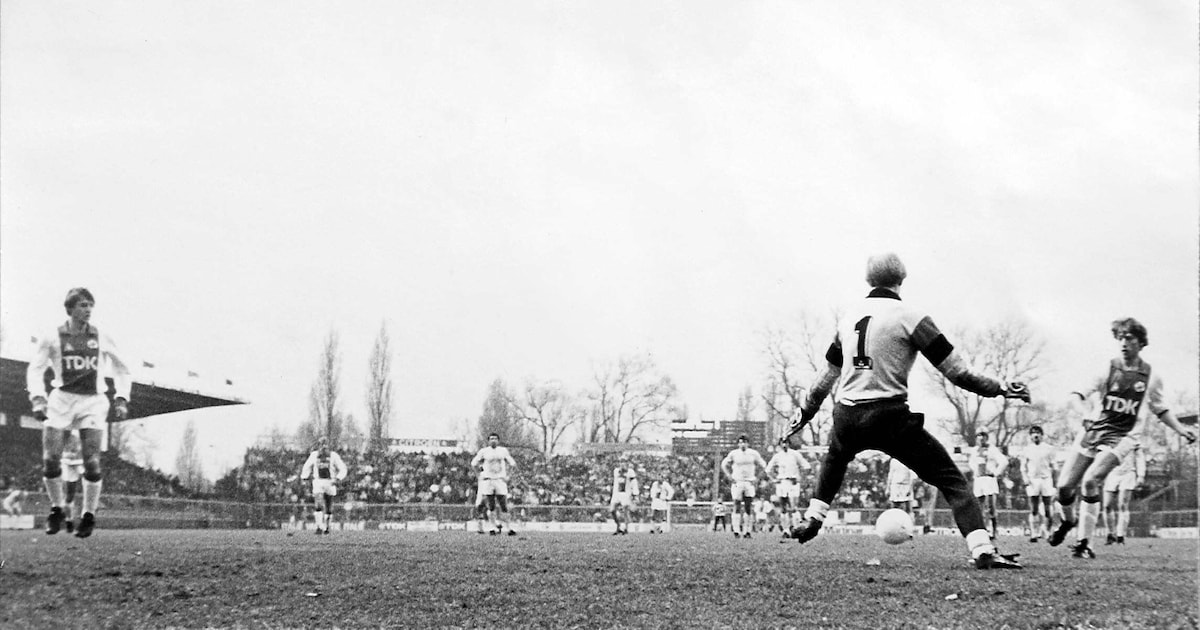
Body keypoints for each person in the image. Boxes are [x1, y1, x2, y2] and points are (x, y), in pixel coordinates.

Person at [786, 253, 1029, 569]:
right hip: (889, 416)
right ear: (902, 278)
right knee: (953, 482)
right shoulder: (911, 317)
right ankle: (982, 549)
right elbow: (958, 373)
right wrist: (1002, 388)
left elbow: (824, 379)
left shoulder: (847, 319)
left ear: (868, 280)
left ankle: (813, 518)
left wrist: (804, 413)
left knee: (836, 455)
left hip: (847, 415)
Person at [1049, 318, 1196, 559]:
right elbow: (1076, 395)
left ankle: (1084, 543)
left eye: (1129, 338)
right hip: (1095, 429)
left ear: (1141, 343)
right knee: (1064, 487)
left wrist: (1181, 429)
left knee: (1091, 480)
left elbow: (1160, 409)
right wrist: (1085, 413)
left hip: (1123, 435)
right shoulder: (1107, 369)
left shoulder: (1150, 376)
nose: (1124, 343)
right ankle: (1068, 521)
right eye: (1120, 338)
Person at [27, 287, 132, 539]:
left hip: (92, 402)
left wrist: (121, 397)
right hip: (61, 400)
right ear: (70, 309)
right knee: (50, 459)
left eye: (90, 305)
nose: (88, 310)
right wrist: (38, 398)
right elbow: (35, 369)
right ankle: (56, 509)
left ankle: (88, 516)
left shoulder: (101, 336)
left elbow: (122, 368)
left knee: (92, 462)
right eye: (83, 305)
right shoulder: (53, 337)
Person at [470, 433, 518, 536]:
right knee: (490, 505)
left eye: (495, 438)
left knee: (503, 505)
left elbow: (513, 464)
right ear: (488, 441)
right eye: (491, 439)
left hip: (500, 480)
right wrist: (479, 475)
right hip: (488, 480)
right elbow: (473, 463)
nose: (493, 440)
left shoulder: (503, 451)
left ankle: (509, 528)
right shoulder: (484, 451)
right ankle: (492, 528)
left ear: (498, 440)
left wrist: (508, 476)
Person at [721, 435, 768, 539]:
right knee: (736, 504)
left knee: (748, 506)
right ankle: (736, 530)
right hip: (737, 481)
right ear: (738, 444)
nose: (743, 444)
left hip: (749, 482)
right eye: (741, 442)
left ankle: (747, 531)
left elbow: (764, 465)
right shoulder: (734, 453)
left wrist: (757, 478)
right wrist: (728, 475)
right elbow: (724, 464)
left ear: (748, 443)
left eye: (745, 442)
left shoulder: (753, 453)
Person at [300, 437, 348, 535]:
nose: (323, 446)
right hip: (318, 481)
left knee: (328, 506)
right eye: (322, 444)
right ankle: (319, 527)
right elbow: (307, 466)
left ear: (328, 445)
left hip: (330, 482)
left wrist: (338, 478)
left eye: (325, 444)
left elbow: (343, 468)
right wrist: (304, 477)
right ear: (319, 445)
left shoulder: (333, 455)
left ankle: (327, 527)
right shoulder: (314, 455)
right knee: (318, 503)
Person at [765, 437, 812, 536]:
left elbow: (807, 466)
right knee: (783, 507)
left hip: (793, 482)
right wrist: (774, 479)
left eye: (786, 443)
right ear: (780, 445)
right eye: (782, 443)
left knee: (793, 507)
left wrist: (800, 478)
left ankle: (796, 529)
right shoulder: (777, 456)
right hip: (782, 482)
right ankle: (786, 530)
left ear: (789, 444)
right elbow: (768, 469)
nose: (784, 445)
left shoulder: (795, 454)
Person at [1102, 441, 1145, 545]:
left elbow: (1140, 457)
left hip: (1128, 473)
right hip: (1111, 473)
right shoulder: (1109, 436)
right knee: (1107, 505)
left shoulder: (1133, 439)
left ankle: (1120, 536)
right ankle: (1110, 534)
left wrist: (1141, 475)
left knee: (1122, 505)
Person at [1020, 425, 1057, 542]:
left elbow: (1054, 466)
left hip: (1046, 479)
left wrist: (1055, 482)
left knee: (1047, 507)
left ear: (1042, 435)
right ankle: (1034, 534)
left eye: (1038, 433)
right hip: (1033, 480)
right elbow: (1023, 467)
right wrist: (1025, 479)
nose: (1036, 435)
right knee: (1034, 507)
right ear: (1030, 436)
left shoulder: (1049, 448)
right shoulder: (1027, 449)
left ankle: (1047, 531)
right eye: (1033, 433)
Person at [967, 430, 1007, 538]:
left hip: (989, 480)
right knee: (978, 507)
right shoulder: (974, 450)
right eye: (979, 436)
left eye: (983, 436)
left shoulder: (992, 449)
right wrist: (975, 470)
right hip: (979, 480)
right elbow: (971, 462)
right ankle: (982, 531)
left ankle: (994, 530)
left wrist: (996, 472)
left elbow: (1004, 461)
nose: (981, 438)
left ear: (986, 437)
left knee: (990, 506)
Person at [61, 431, 86, 534]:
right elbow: (70, 460)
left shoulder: (75, 442)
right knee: (68, 498)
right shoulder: (65, 449)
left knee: (70, 499)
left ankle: (70, 521)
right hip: (67, 475)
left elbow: (78, 459)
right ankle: (69, 521)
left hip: (73, 474)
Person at [609, 463, 638, 535]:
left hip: (625, 494)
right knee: (612, 510)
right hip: (616, 494)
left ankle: (626, 529)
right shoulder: (616, 471)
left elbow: (634, 483)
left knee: (625, 511)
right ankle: (618, 525)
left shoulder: (630, 472)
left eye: (624, 464)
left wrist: (635, 495)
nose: (622, 465)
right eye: (621, 463)